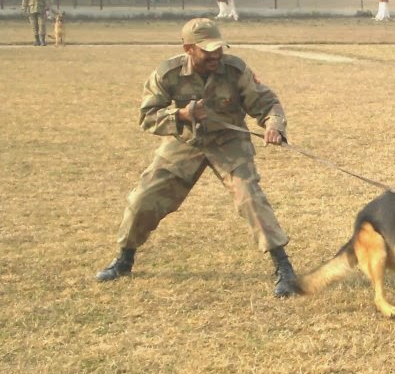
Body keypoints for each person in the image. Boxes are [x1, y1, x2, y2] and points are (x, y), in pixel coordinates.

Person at [95, 17, 300, 298]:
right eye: (208, 50)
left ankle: (284, 268)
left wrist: (273, 125)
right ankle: (124, 258)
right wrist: (180, 115)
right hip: (185, 140)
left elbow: (266, 103)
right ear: (189, 48)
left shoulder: (235, 69)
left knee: (249, 196)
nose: (216, 55)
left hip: (228, 142)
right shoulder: (168, 73)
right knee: (144, 198)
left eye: (218, 49)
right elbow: (146, 116)